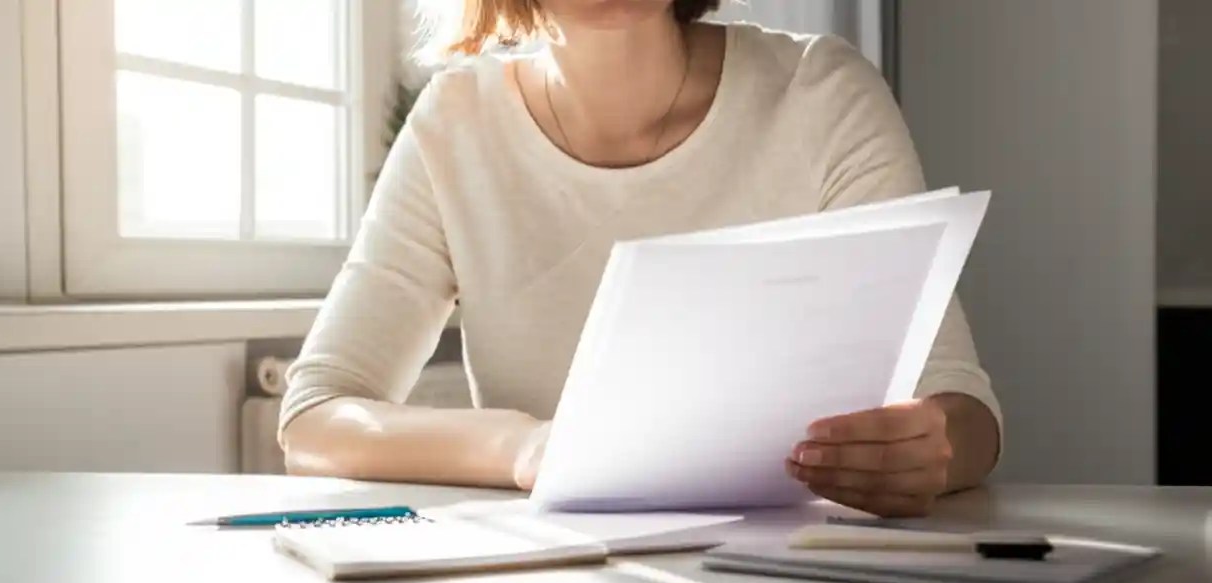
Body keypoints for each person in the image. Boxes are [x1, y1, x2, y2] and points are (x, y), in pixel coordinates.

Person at [279, 0, 1002, 518]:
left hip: (800, 576)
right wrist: (525, 448)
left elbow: (961, 405)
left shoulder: (822, 94)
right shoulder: (454, 126)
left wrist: (932, 448)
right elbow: (315, 417)